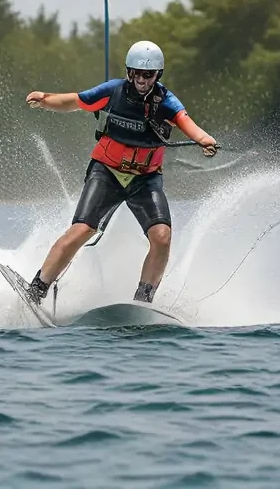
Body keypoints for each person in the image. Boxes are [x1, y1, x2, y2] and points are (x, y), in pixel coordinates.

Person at [24, 40, 218, 305]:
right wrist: (45, 99)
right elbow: (75, 101)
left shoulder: (167, 102)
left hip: (145, 180)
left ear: (157, 75)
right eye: (137, 73)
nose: (142, 80)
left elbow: (188, 123)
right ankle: (36, 290)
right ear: (129, 72)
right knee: (82, 230)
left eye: (148, 75)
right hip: (106, 173)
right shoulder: (112, 91)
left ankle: (142, 301)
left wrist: (205, 140)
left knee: (162, 238)